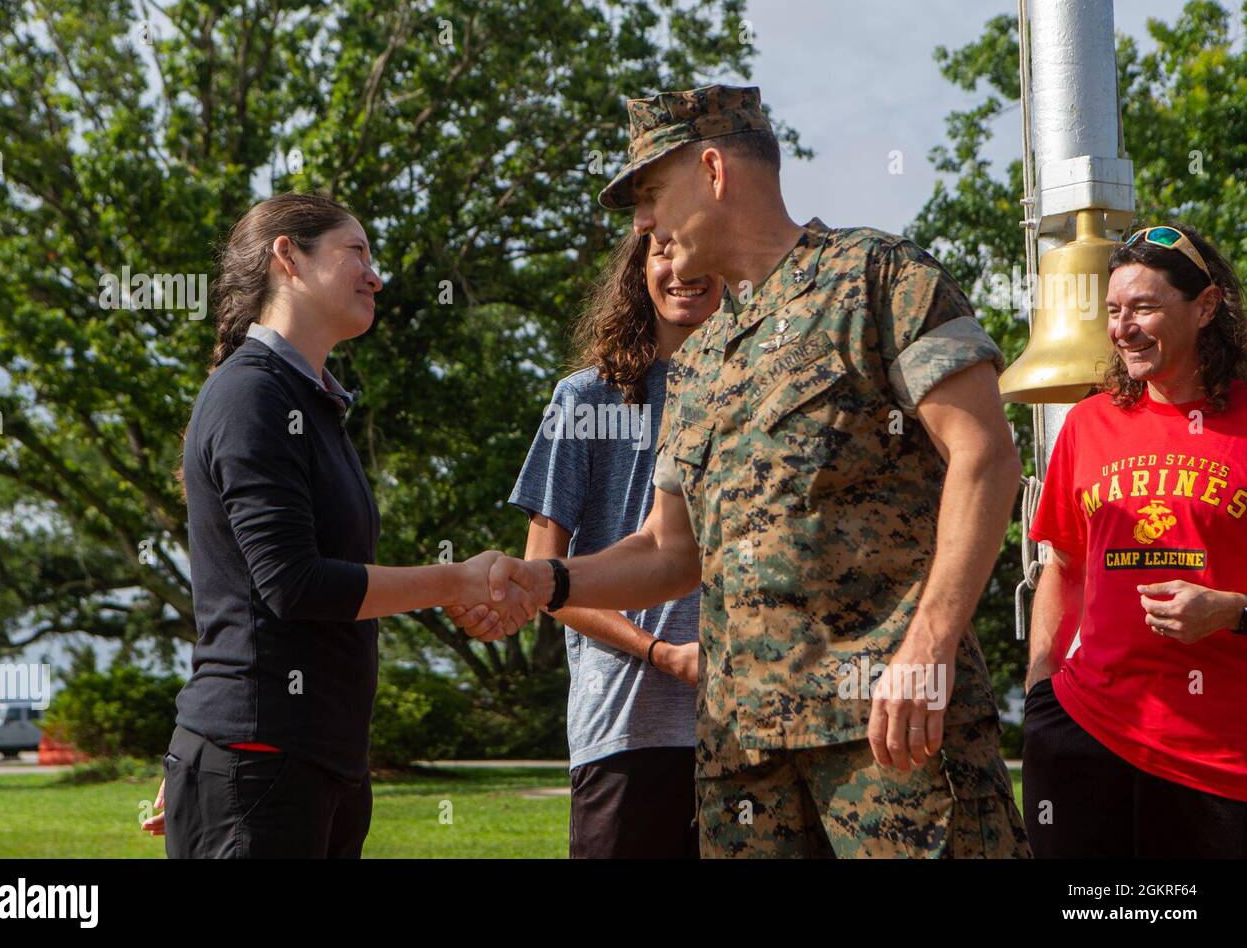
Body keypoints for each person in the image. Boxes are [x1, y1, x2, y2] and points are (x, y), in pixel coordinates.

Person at [453, 84, 1030, 858]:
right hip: (744, 763)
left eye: (652, 194)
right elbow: (668, 551)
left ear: (714, 169)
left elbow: (986, 454)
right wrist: (550, 582)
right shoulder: (697, 364)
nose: (644, 223)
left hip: (890, 734)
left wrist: (928, 646)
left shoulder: (879, 279)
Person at [141, 192, 535, 858]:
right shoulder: (253, 393)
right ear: (287, 257)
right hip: (261, 764)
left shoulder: (305, 400)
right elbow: (293, 585)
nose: (375, 274)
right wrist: (453, 581)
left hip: (309, 767)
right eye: (356, 251)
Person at [1023, 222, 1247, 857]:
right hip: (1085, 736)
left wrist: (1231, 612)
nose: (1123, 328)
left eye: (1145, 307)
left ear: (1205, 307)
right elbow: (1061, 566)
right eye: (1115, 310)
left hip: (1222, 761)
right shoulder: (1089, 425)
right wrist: (1042, 689)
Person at [508, 231, 719, 857]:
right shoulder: (582, 399)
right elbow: (541, 577)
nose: (682, 267)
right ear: (639, 269)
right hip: (627, 730)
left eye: (699, 248)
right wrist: (662, 653)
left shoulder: (758, 396)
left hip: (747, 727)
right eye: (663, 250)